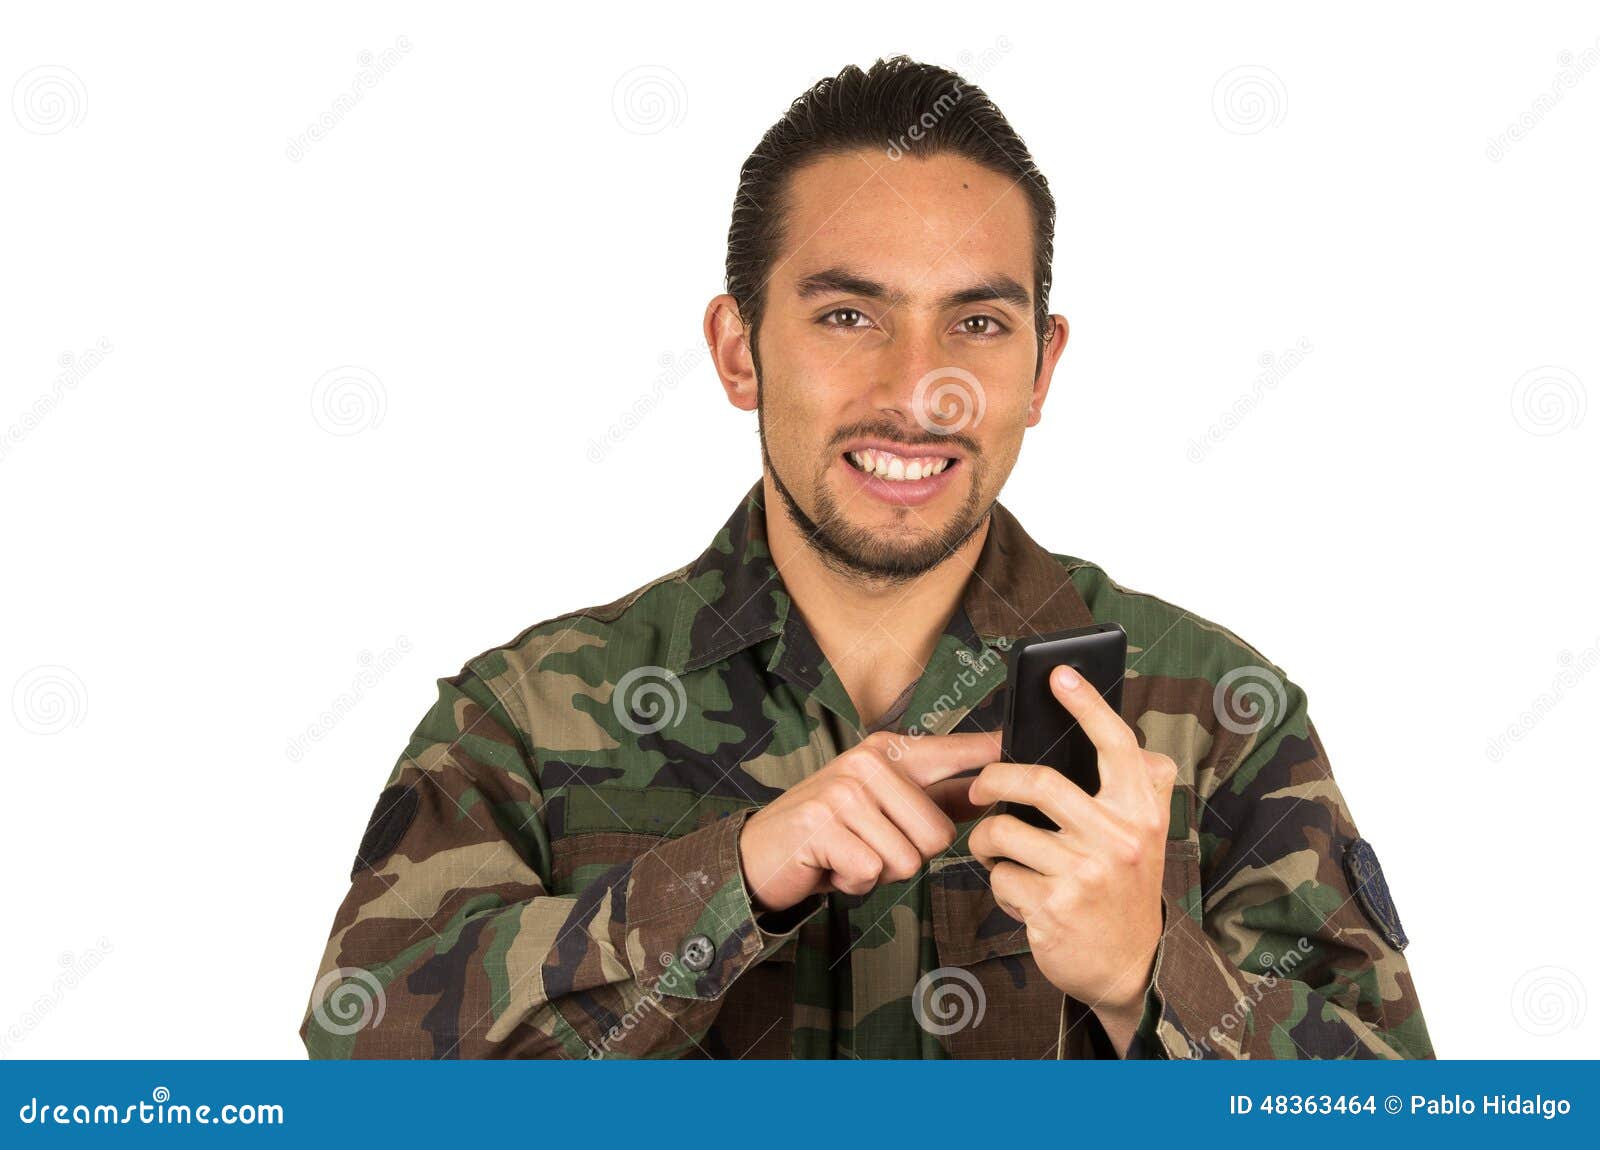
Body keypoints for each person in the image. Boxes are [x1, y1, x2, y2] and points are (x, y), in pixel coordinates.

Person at [301, 56, 1431, 1059]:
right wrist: (730, 880)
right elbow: (362, 1061)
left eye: (977, 324)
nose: (916, 389)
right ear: (739, 349)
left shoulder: (1216, 717)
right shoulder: (532, 717)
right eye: (849, 316)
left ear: (1041, 369)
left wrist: (1149, 973)